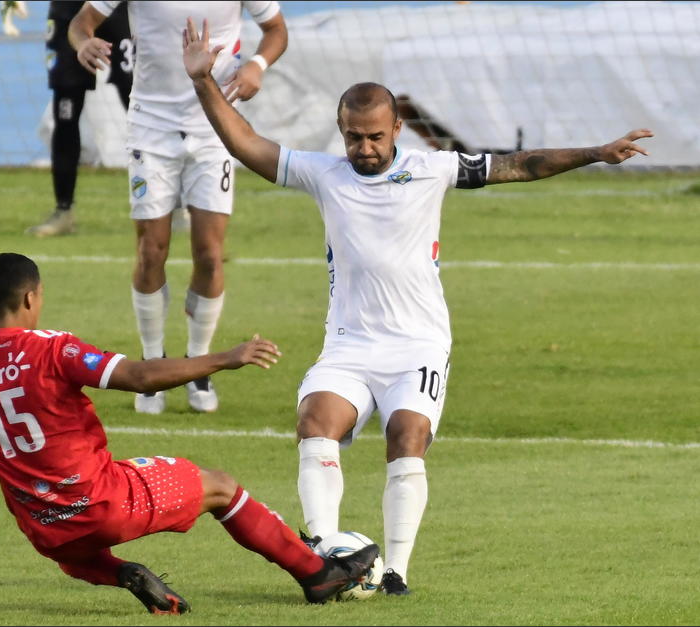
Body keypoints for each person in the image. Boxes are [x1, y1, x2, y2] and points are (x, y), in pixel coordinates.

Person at [182, 18, 653, 596]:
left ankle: (397, 571)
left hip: (419, 345)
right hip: (350, 345)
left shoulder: (433, 169)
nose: (365, 148)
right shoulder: (323, 175)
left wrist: (596, 153)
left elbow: (519, 164)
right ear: (341, 131)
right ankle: (325, 558)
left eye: (376, 136)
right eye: (354, 137)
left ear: (397, 127)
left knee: (406, 437)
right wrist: (204, 82)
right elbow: (245, 143)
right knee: (314, 424)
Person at [0, 252, 379, 614]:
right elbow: (139, 376)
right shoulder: (51, 349)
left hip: (45, 530)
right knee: (219, 486)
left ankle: (127, 576)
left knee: (72, 547)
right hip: (104, 502)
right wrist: (225, 358)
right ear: (30, 298)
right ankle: (318, 574)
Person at [69, 1, 288, 414]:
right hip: (151, 125)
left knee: (209, 252)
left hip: (216, 126)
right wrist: (83, 43)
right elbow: (82, 22)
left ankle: (196, 366)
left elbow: (276, 30)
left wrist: (257, 64)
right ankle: (153, 366)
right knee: (152, 249)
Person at [19, 1, 133, 237]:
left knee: (140, 104)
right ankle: (63, 212)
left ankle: (175, 205)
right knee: (66, 111)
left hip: (117, 7)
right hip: (67, 11)